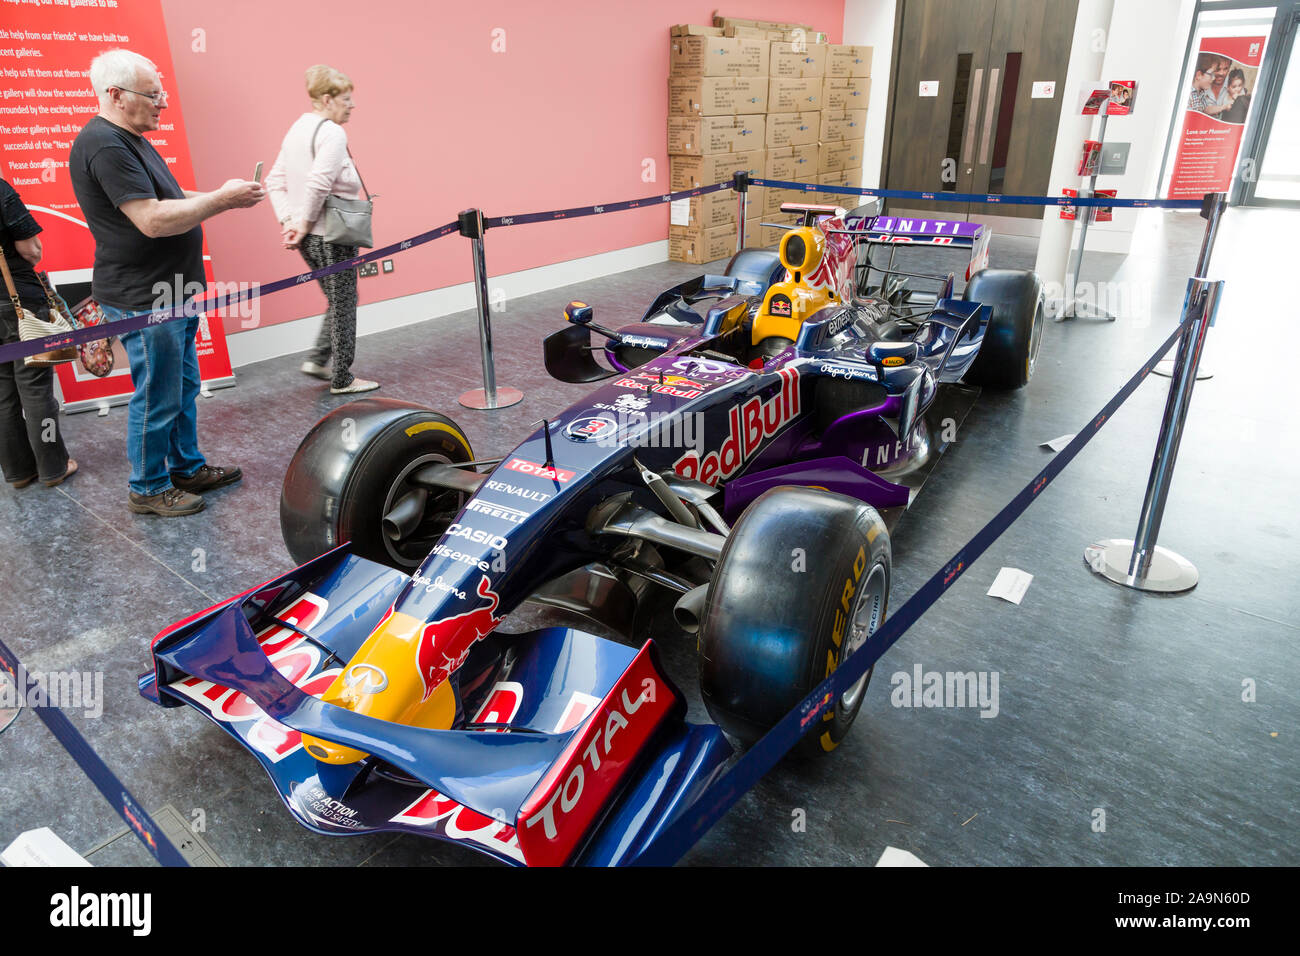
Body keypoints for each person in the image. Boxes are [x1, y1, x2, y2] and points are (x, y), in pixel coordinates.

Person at [69, 49, 264, 517]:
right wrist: (223, 201)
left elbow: (168, 197)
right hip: (144, 296)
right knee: (157, 392)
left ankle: (184, 467)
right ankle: (148, 485)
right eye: (152, 95)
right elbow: (153, 220)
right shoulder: (104, 144)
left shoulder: (130, 137)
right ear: (115, 95)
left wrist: (224, 196)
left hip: (169, 291)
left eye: (161, 93)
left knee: (181, 384)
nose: (161, 103)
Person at [266, 64, 378, 395]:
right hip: (333, 232)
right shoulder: (331, 132)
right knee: (343, 301)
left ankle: (317, 358)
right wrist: (299, 223)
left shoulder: (297, 129)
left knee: (339, 296)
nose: (352, 105)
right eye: (346, 99)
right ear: (327, 99)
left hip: (310, 238)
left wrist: (289, 222)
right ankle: (342, 378)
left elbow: (274, 181)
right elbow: (318, 182)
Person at [0, 177, 75, 489]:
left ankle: (18, 472)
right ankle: (52, 466)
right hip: (15, 300)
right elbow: (31, 250)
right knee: (35, 389)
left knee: (2, 394)